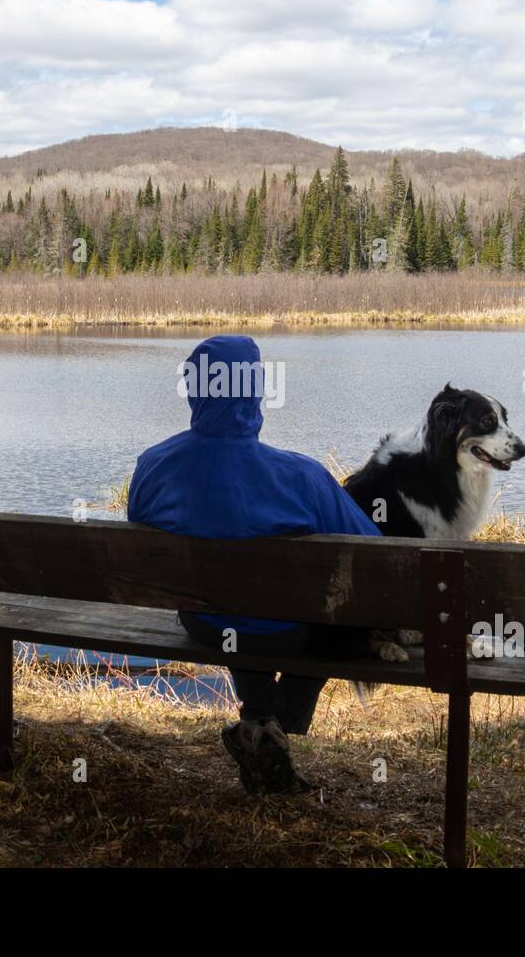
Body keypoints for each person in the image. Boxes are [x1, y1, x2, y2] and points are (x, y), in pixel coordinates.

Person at [127, 335, 380, 794]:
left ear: (194, 390)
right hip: (286, 631)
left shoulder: (154, 466)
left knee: (234, 606)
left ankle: (259, 722)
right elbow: (374, 555)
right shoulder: (302, 476)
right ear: (255, 391)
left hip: (203, 621)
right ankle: (275, 721)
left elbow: (139, 525)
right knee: (320, 626)